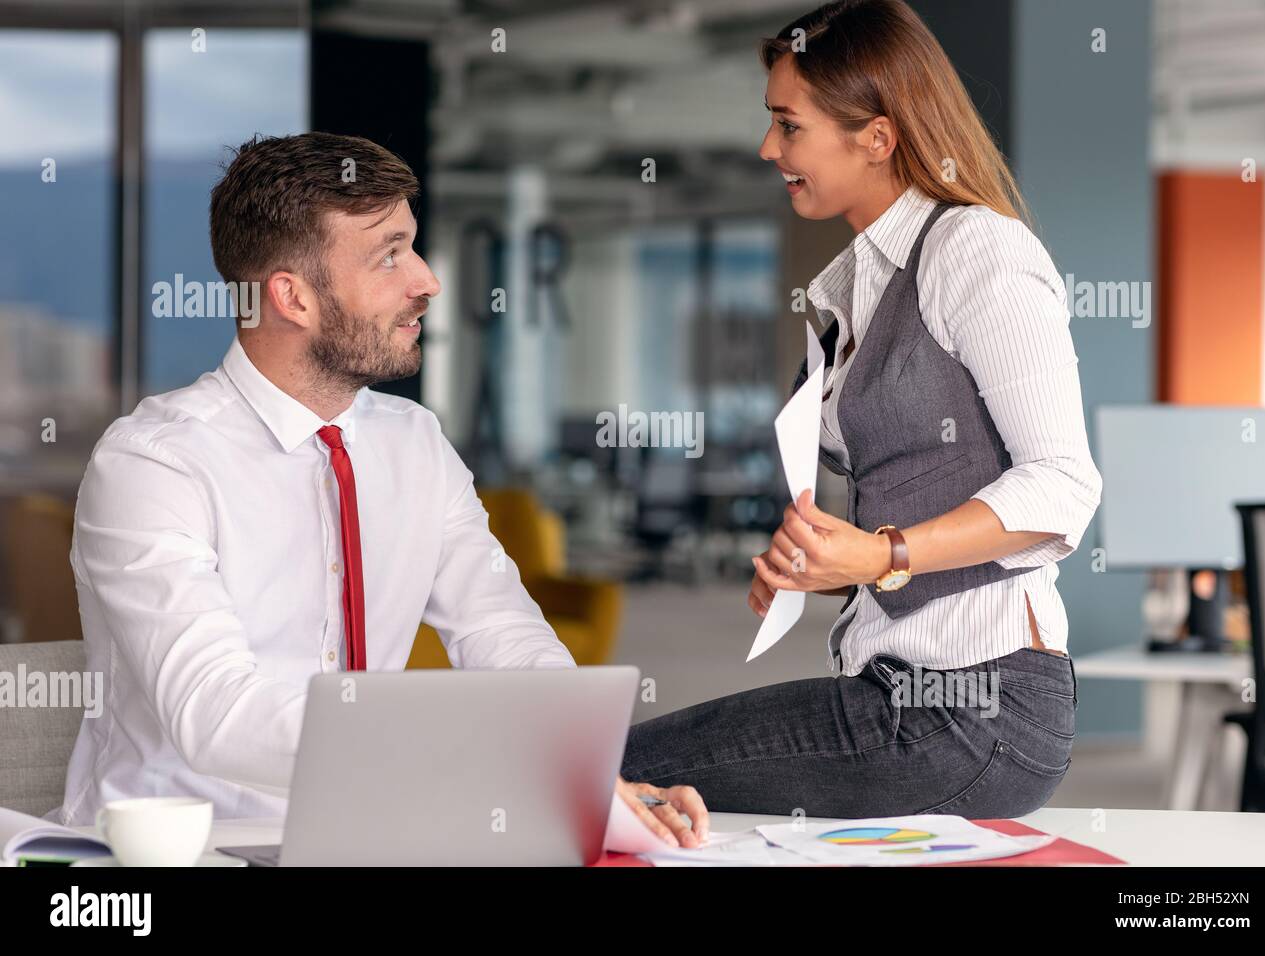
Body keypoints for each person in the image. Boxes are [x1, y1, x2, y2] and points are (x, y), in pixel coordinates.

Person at [56, 131, 707, 848]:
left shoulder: (414, 442)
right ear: (292, 296)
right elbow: (218, 715)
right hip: (193, 847)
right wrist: (478, 759)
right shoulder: (155, 464)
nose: (426, 280)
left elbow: (500, 629)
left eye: (414, 247)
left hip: (376, 836)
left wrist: (575, 773)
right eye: (389, 254)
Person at [620, 0, 1102, 819]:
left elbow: (1062, 484)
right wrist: (822, 556)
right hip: (896, 688)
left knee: (611, 764)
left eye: (788, 126)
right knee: (631, 777)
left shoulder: (975, 250)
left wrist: (881, 554)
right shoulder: (856, 285)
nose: (768, 148)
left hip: (972, 711)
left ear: (876, 137)